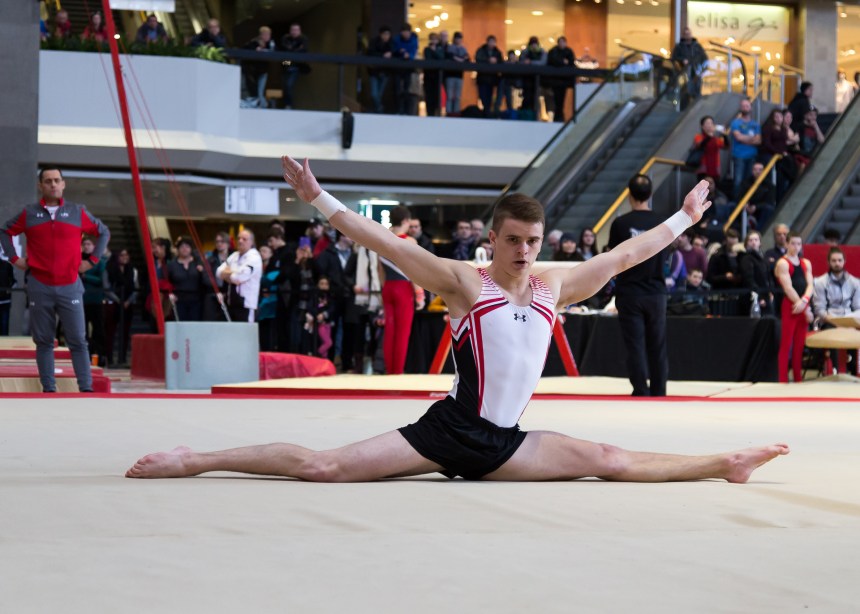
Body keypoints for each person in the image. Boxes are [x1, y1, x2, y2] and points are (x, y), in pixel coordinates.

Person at [125, 155, 790, 484]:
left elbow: (626, 254)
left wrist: (687, 219)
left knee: (609, 458)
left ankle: (726, 462)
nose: (525, 253)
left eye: (534, 242)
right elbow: (387, 244)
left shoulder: (555, 284)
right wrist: (319, 198)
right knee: (324, 469)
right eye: (513, 242)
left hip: (506, 444)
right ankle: (196, 459)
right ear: (493, 240)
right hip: (448, 432)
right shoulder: (462, 283)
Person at [0, 167, 110, 393]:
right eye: (48, 181)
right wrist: (14, 258)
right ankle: (48, 389)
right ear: (40, 185)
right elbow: (4, 231)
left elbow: (103, 232)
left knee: (78, 340)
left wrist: (92, 261)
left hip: (70, 285)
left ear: (63, 184)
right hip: (40, 285)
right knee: (44, 341)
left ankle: (86, 389)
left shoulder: (77, 211)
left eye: (56, 180)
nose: (53, 184)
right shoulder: (29, 213)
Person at [608, 174, 669, 397]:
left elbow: (613, 258)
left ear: (629, 195)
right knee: (657, 345)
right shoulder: (661, 223)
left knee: (635, 345)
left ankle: (641, 391)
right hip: (655, 292)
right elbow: (666, 257)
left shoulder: (620, 224)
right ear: (650, 194)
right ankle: (659, 391)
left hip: (630, 292)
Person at [379, 205, 424, 374]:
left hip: (388, 287)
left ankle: (389, 370)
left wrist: (384, 290)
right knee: (402, 333)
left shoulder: (383, 239)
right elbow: (414, 269)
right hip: (403, 288)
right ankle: (397, 372)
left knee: (389, 330)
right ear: (405, 221)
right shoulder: (409, 241)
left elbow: (380, 270)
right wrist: (419, 294)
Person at [774, 232, 813, 383]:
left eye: (799, 244)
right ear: (787, 244)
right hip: (790, 305)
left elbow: (810, 285)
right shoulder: (782, 263)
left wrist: (805, 300)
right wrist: (805, 307)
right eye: (793, 243)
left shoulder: (806, 263)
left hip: (802, 303)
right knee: (786, 344)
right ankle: (782, 379)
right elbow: (788, 288)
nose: (796, 247)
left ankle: (798, 379)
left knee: (799, 345)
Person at [812, 247, 860, 371]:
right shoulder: (820, 282)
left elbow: (857, 307)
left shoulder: (855, 282)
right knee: (835, 333)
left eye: (839, 260)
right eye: (834, 261)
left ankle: (855, 368)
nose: (837, 263)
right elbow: (820, 310)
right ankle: (835, 369)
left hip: (849, 320)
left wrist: (848, 322)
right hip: (829, 321)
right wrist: (837, 322)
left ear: (844, 262)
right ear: (828, 263)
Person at [216, 230, 263, 323]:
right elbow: (218, 272)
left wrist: (229, 274)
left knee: (245, 335)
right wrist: (233, 274)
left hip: (246, 305)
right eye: (239, 238)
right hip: (232, 303)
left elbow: (239, 277)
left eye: (244, 239)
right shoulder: (234, 255)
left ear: (251, 242)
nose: (240, 241)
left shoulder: (254, 257)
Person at [104, 248, 138, 366]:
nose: (125, 257)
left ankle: (123, 358)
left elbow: (136, 288)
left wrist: (128, 301)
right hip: (113, 303)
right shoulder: (109, 269)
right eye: (122, 255)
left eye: (126, 255)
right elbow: (106, 287)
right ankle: (110, 358)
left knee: (125, 332)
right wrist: (119, 300)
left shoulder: (132, 270)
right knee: (110, 332)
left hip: (128, 304)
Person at [81, 237, 108, 365]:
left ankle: (101, 355)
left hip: (95, 300)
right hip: (81, 300)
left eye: (89, 244)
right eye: (84, 244)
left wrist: (85, 276)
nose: (86, 246)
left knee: (98, 330)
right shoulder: (78, 259)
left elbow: (101, 280)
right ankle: (85, 356)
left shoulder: (99, 261)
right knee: (82, 330)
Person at [729, 98, 762, 200]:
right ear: (740, 108)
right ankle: (736, 204)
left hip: (752, 156)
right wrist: (752, 138)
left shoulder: (755, 124)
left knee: (750, 182)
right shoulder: (735, 123)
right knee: (738, 181)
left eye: (747, 106)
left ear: (750, 108)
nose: (745, 108)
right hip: (739, 156)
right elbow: (738, 137)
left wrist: (744, 138)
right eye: (743, 106)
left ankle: (747, 204)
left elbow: (759, 141)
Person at [167, 237, 204, 322]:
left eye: (187, 246)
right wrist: (170, 294)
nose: (184, 249)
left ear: (191, 249)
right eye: (182, 247)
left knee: (195, 324)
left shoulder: (198, 263)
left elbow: (204, 280)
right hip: (178, 299)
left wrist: (202, 271)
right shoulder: (172, 265)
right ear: (178, 249)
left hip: (196, 299)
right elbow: (167, 281)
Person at [738, 231, 773, 317]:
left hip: (766, 294)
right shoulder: (745, 258)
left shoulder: (763, 257)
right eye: (750, 240)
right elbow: (749, 279)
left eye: (756, 240)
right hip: (753, 297)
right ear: (746, 243)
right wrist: (759, 297)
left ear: (760, 242)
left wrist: (771, 291)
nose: (753, 242)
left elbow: (768, 277)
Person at [241, 27, 276, 109]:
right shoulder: (254, 42)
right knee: (254, 92)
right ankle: (259, 106)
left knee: (260, 92)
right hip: (252, 71)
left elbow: (283, 61)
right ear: (261, 35)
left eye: (268, 34)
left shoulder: (271, 44)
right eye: (265, 34)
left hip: (263, 72)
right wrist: (255, 50)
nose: (267, 36)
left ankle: (262, 107)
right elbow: (244, 50)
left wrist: (287, 63)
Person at [671, 27, 708, 99]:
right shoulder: (679, 47)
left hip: (696, 72)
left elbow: (704, 59)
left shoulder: (697, 46)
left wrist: (702, 70)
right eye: (685, 34)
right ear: (683, 35)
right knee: (685, 92)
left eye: (688, 33)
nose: (687, 35)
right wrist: (682, 60)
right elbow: (674, 58)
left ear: (691, 34)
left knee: (697, 92)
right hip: (684, 72)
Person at [279, 23, 309, 110]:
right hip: (285, 64)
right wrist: (295, 49)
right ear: (290, 31)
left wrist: (291, 50)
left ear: (300, 31)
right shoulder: (285, 38)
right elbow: (283, 48)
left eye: (296, 30)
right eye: (293, 30)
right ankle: (286, 104)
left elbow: (304, 49)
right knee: (285, 86)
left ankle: (288, 105)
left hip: (296, 65)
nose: (294, 32)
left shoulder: (303, 39)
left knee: (289, 85)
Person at [546, 37, 575, 122]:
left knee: (561, 100)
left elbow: (571, 62)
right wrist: (563, 62)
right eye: (560, 42)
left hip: (564, 81)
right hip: (554, 81)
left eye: (563, 42)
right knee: (555, 100)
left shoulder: (568, 51)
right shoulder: (553, 51)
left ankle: (559, 117)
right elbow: (553, 62)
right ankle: (558, 117)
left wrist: (563, 62)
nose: (562, 44)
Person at [392, 23, 418, 115]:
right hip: (398, 68)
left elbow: (413, 53)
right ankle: (399, 110)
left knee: (406, 89)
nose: (406, 34)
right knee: (398, 89)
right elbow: (394, 50)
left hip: (408, 68)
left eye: (407, 32)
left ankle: (406, 111)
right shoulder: (396, 39)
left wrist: (408, 55)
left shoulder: (414, 40)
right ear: (401, 32)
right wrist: (401, 52)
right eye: (404, 32)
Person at [203, 232, 231, 322]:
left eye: (222, 241)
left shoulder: (234, 258)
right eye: (217, 241)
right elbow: (206, 277)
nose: (219, 244)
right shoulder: (210, 259)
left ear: (227, 243)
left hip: (228, 295)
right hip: (212, 294)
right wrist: (216, 290)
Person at [367, 26, 394, 114]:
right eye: (385, 34)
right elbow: (370, 53)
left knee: (379, 94)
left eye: (388, 34)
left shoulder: (391, 44)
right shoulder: (374, 42)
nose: (386, 36)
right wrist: (383, 55)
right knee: (374, 94)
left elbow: (395, 54)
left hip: (385, 72)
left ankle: (377, 110)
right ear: (381, 34)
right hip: (374, 72)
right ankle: (379, 109)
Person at [690, 116, 727, 180]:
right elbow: (700, 145)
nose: (710, 125)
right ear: (702, 126)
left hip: (715, 168)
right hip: (703, 169)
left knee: (714, 187)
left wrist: (724, 134)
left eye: (711, 123)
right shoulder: (698, 136)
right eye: (707, 123)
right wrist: (709, 136)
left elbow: (726, 146)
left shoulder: (716, 139)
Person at [519, 36, 547, 118]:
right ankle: (526, 114)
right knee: (527, 97)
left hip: (537, 80)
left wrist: (531, 62)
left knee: (535, 97)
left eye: (535, 44)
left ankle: (535, 115)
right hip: (526, 79)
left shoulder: (542, 52)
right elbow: (521, 62)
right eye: (532, 44)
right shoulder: (525, 52)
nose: (534, 46)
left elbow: (543, 62)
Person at [475, 35, 503, 117]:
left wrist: (496, 61)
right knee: (482, 96)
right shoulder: (481, 50)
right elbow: (478, 59)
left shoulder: (497, 52)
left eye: (493, 42)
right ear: (487, 42)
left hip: (492, 79)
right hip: (482, 78)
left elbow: (501, 62)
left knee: (489, 97)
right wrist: (488, 60)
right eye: (490, 42)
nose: (492, 44)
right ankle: (486, 112)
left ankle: (487, 113)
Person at [444, 32, 469, 115]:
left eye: (460, 38)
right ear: (454, 39)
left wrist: (459, 59)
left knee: (458, 96)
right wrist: (460, 59)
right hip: (450, 75)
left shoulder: (463, 49)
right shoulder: (450, 47)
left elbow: (467, 58)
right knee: (450, 96)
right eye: (457, 38)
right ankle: (449, 112)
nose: (458, 40)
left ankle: (456, 112)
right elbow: (450, 56)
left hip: (459, 76)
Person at [422, 32, 444, 117]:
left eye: (435, 39)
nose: (434, 40)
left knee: (437, 96)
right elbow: (428, 59)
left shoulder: (440, 49)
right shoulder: (427, 49)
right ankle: (429, 113)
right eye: (432, 39)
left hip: (437, 77)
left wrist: (434, 51)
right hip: (428, 76)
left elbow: (441, 58)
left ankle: (437, 113)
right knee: (428, 96)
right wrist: (433, 51)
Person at [0, 257, 14, 335]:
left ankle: (3, 344)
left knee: (4, 324)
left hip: (5, 301)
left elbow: (14, 282)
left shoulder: (7, 265)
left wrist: (9, 290)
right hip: (5, 299)